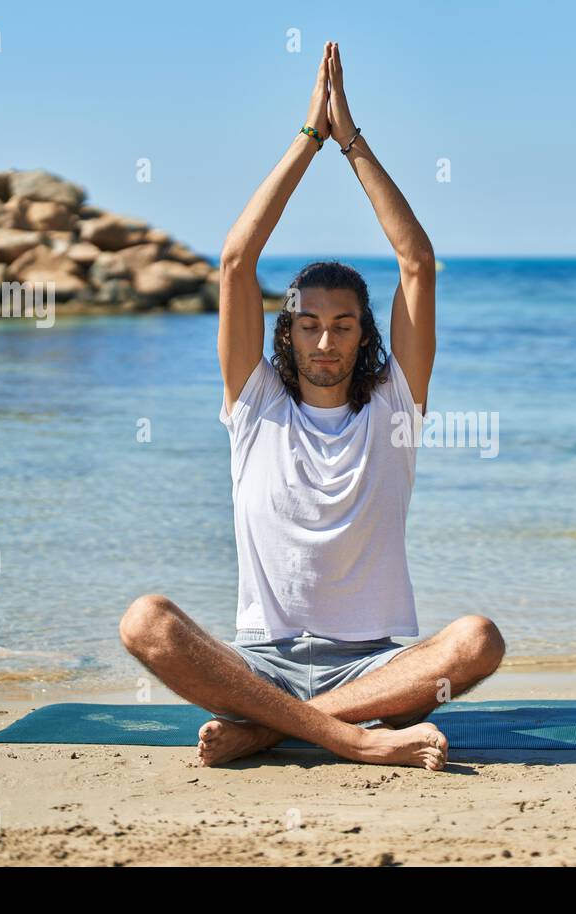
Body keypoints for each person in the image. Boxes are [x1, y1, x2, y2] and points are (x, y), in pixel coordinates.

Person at [120, 41, 504, 770]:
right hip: (258, 670)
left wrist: (350, 140)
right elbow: (235, 260)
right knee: (146, 621)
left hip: (378, 673)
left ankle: (277, 732)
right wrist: (307, 137)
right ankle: (351, 740)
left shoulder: (396, 404)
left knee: (477, 640)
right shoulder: (254, 400)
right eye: (308, 323)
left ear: (366, 335)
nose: (326, 338)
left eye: (344, 323)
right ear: (286, 330)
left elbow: (416, 261)